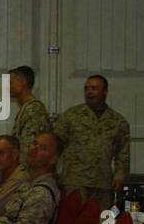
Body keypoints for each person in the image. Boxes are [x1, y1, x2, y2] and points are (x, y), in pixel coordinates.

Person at [54, 74, 129, 209]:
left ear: (105, 92)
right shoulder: (70, 116)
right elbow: (55, 147)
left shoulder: (117, 121)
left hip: (103, 185)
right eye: (86, 88)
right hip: (75, 182)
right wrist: (52, 174)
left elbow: (122, 153)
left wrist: (119, 176)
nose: (89, 92)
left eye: (94, 88)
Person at [9, 66, 51, 166]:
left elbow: (29, 149)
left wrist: (21, 174)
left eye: (11, 83)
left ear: (22, 82)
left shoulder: (33, 110)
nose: (8, 87)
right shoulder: (26, 108)